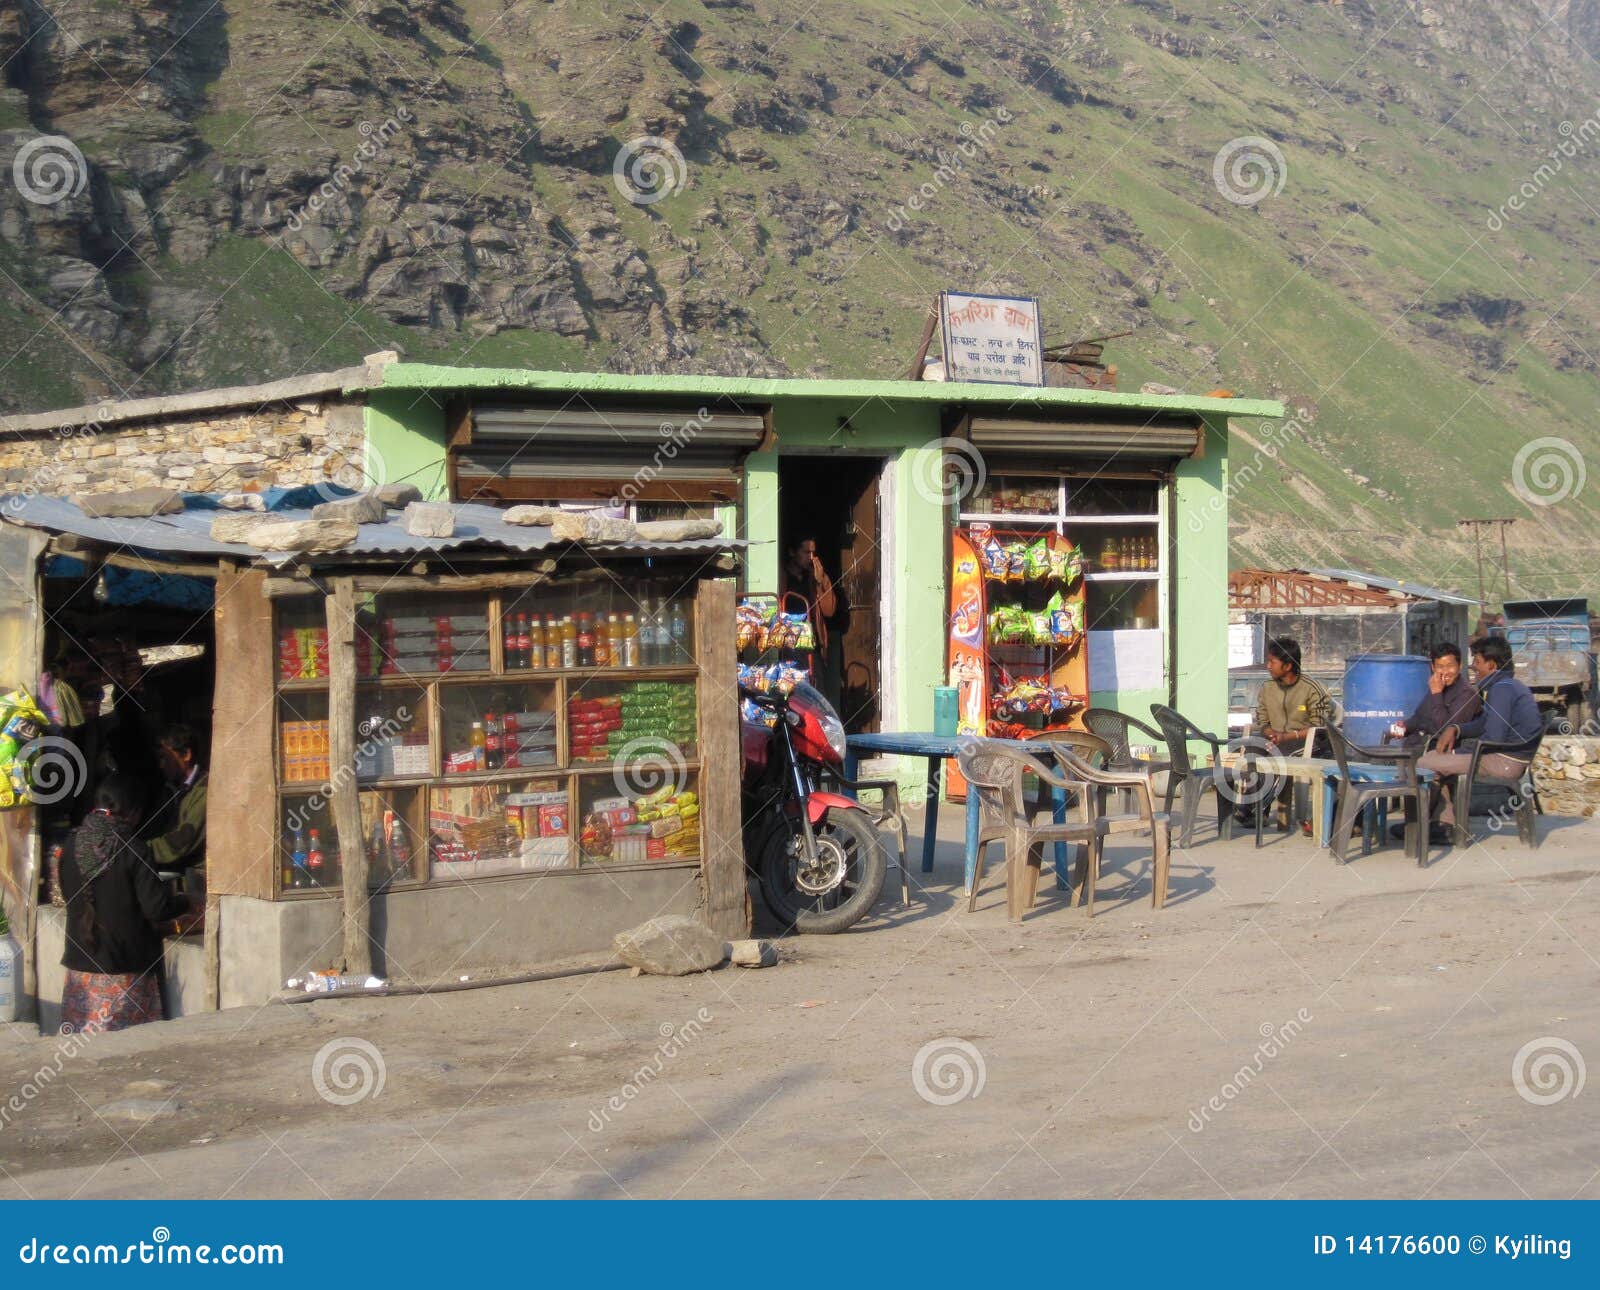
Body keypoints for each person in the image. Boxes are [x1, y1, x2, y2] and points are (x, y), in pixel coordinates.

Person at [59, 776, 193, 1033]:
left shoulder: (70, 845)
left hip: (80, 972)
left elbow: (68, 897)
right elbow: (157, 908)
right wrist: (187, 901)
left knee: (81, 1059)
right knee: (124, 1056)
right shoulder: (134, 849)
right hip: (124, 971)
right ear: (132, 813)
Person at [1418, 635, 1544, 836]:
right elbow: (1485, 722)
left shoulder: (1501, 690)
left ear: (1491, 665)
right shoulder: (1510, 685)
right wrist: (1457, 730)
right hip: (1509, 758)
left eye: (1477, 662)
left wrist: (1458, 752)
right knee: (1439, 762)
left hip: (1504, 762)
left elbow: (1492, 738)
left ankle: (1424, 827)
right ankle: (1442, 825)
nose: (1474, 667)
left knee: (1426, 763)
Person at [1243, 637, 1335, 829]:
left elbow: (1319, 726)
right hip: (1275, 738)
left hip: (1305, 742)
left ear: (1287, 666)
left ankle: (1256, 809)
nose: (1268, 666)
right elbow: (1262, 721)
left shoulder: (1312, 688)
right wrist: (1271, 734)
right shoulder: (1267, 688)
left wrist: (1287, 737)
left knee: (1279, 757)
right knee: (1252, 750)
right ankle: (1251, 808)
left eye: (1272, 662)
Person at [780, 537, 846, 707]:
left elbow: (829, 610)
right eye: (806, 552)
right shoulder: (782, 576)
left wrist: (821, 581)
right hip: (788, 646)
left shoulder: (814, 577)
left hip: (811, 646)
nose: (811, 558)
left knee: (816, 697)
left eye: (813, 553)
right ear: (792, 552)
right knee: (792, 695)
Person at [1395, 643, 1482, 745]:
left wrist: (1437, 694)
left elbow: (1446, 729)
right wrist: (1405, 725)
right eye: (1440, 666)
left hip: (1441, 751)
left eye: (1450, 666)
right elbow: (1420, 717)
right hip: (1417, 745)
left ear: (1460, 666)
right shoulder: (1438, 686)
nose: (1445, 672)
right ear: (1433, 668)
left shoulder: (1467, 694)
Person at [149, 722, 207, 872]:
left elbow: (182, 840)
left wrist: (138, 851)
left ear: (186, 754)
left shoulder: (204, 791)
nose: (161, 765)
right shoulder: (171, 788)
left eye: (165, 757)